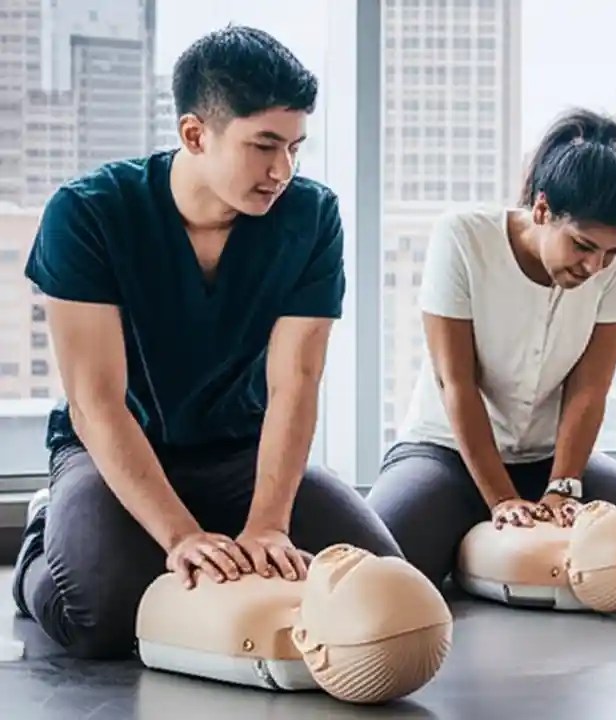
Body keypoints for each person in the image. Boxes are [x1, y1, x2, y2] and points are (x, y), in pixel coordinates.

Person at [10, 26, 401, 659]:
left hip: (238, 451)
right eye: (264, 145)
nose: (283, 170)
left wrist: (269, 523)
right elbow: (96, 402)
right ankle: (44, 531)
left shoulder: (311, 217)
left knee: (379, 586)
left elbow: (294, 383)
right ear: (196, 134)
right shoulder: (87, 214)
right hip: (111, 452)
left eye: (296, 147)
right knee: (99, 616)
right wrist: (181, 536)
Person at [366, 109, 616, 594]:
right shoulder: (463, 237)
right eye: (583, 246)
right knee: (384, 568)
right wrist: (501, 498)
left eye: (610, 252)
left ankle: (489, 546)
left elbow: (589, 390)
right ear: (542, 210)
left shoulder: (611, 265)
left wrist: (564, 486)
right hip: (446, 451)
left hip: (547, 458)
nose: (595, 266)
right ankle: (477, 538)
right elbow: (454, 382)